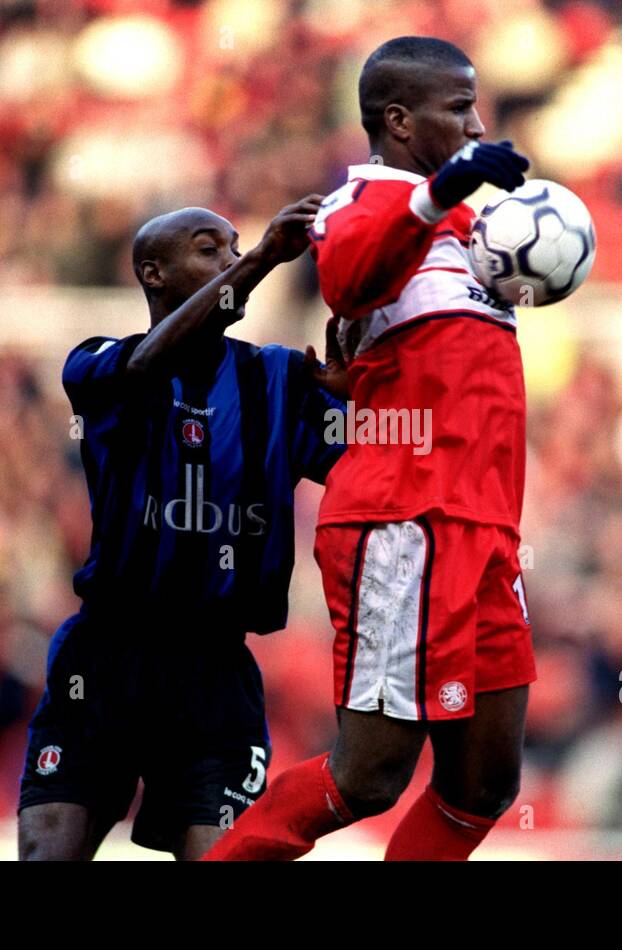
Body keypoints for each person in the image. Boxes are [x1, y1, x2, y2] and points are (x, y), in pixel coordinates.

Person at [204, 36, 534, 861]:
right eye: (458, 109)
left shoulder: (472, 228)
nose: (476, 123)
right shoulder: (360, 206)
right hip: (406, 523)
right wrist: (441, 192)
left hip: (484, 526)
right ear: (398, 119)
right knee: (369, 776)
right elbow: (348, 277)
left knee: (483, 784)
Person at [18, 196, 348, 860]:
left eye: (234, 246)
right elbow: (149, 367)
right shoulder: (99, 365)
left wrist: (364, 389)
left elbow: (365, 468)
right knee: (47, 855)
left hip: (214, 672)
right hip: (107, 657)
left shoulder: (278, 380)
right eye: (209, 249)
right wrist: (259, 263)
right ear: (153, 272)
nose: (229, 258)